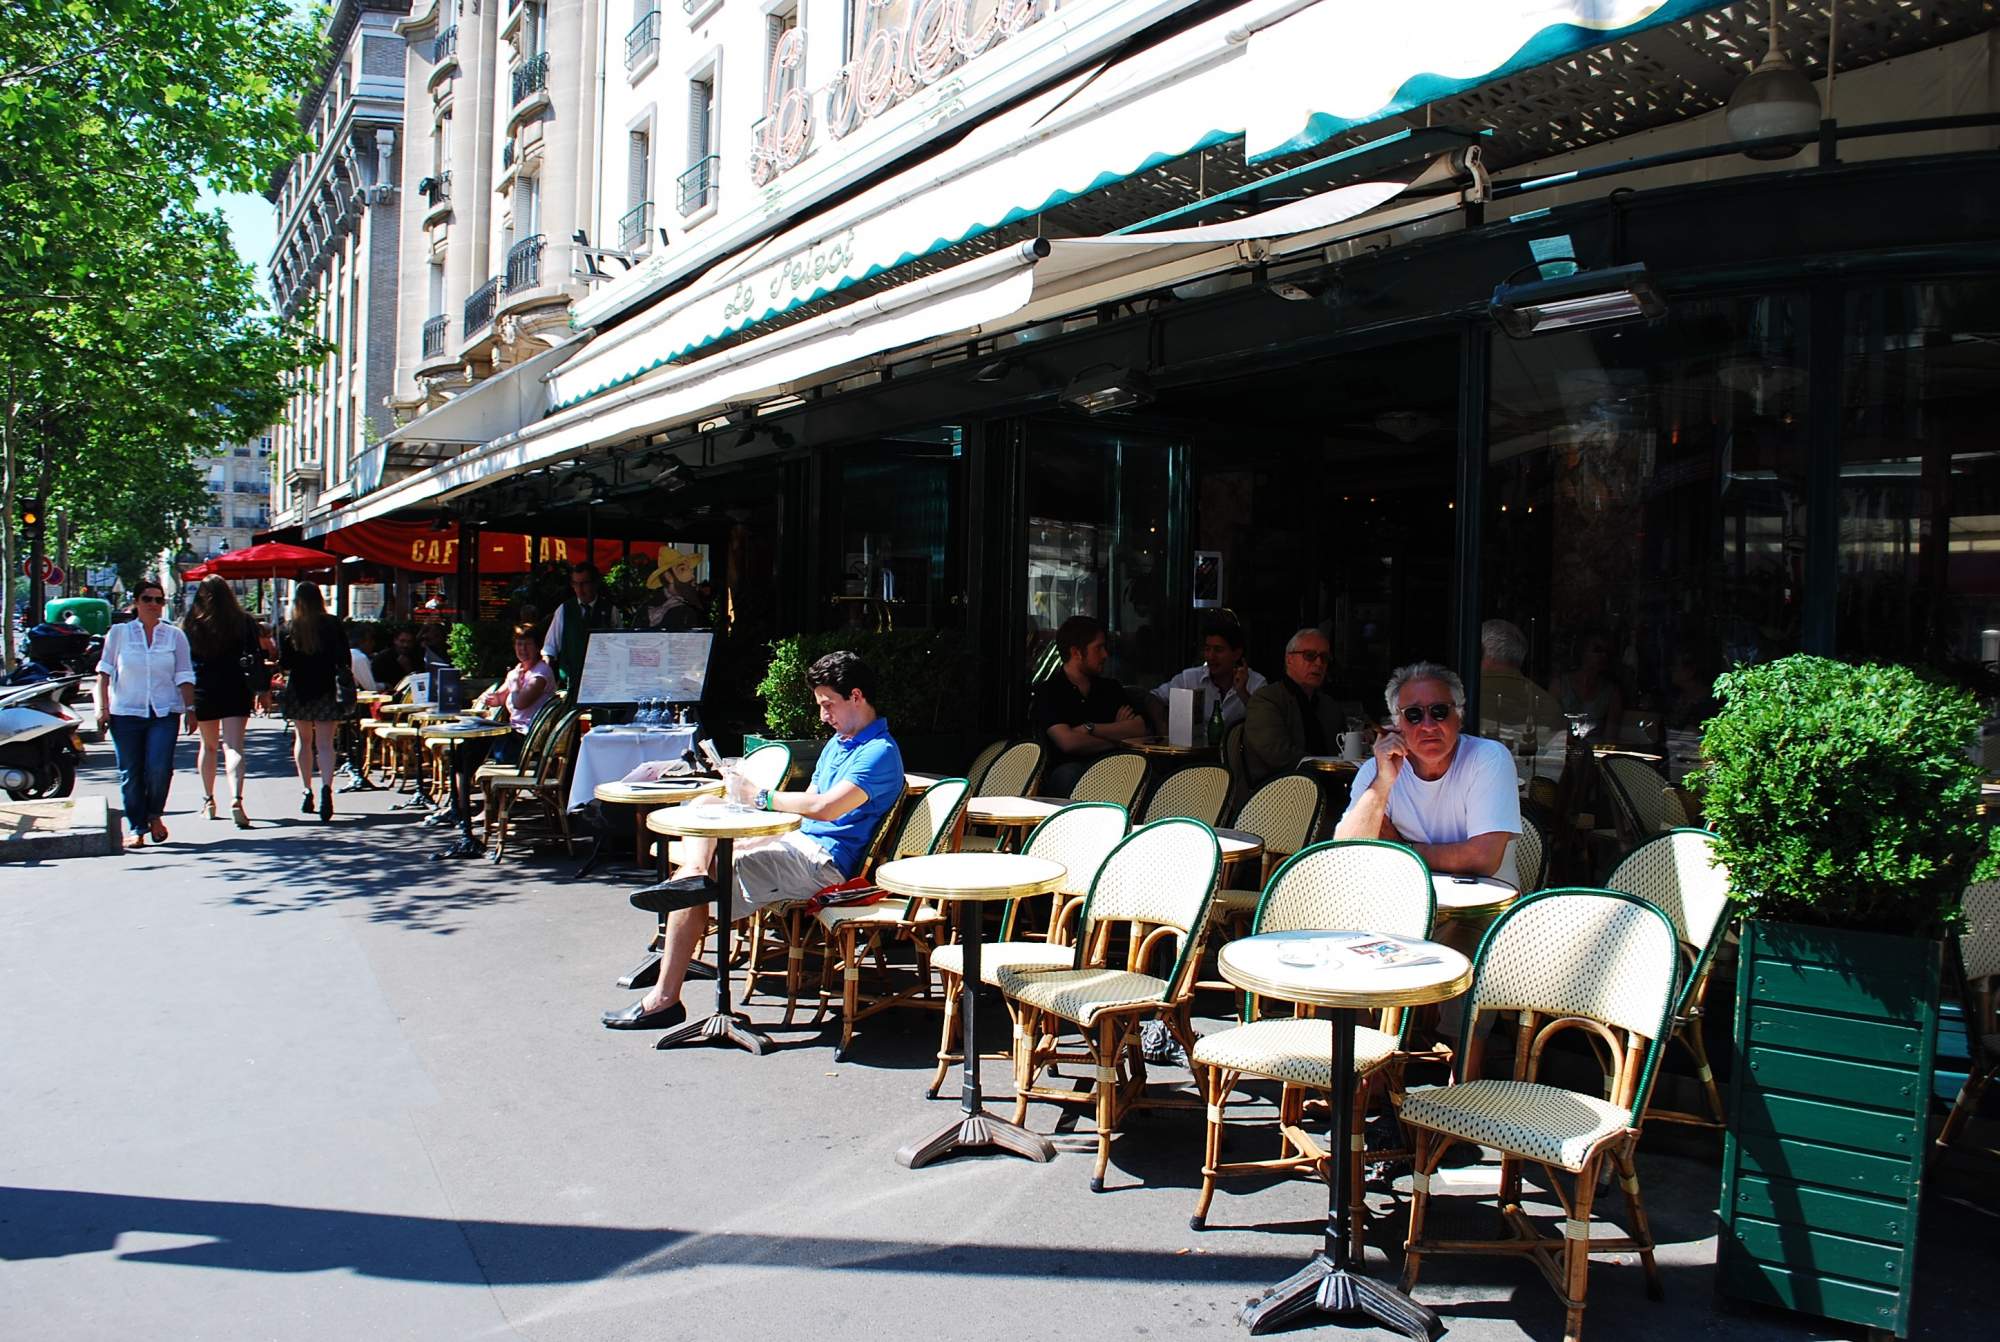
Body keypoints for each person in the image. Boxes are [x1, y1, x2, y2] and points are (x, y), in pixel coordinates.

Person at [603, 650, 905, 1030]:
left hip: (825, 866)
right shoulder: (839, 743)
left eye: (828, 705)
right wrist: (751, 824)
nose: (823, 715)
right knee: (705, 804)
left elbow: (824, 808)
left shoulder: (878, 752)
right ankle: (694, 877)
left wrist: (758, 797)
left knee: (704, 877)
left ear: (857, 696)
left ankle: (665, 997)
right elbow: (802, 809)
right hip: (799, 846)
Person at [1334, 660, 1521, 886]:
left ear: (1459, 717)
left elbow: (1483, 858)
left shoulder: (1488, 758)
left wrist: (1401, 849)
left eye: (1439, 711)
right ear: (1397, 723)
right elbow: (1346, 853)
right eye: (1414, 715)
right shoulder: (1376, 770)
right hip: (1400, 905)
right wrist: (1383, 783)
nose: (1428, 725)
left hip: (1481, 914)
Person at [95, 579, 195, 848]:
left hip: (163, 712)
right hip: (125, 712)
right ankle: (137, 827)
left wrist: (191, 708)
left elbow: (184, 674)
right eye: (148, 599)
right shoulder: (118, 633)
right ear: (136, 602)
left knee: (159, 768)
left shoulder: (175, 636)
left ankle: (155, 815)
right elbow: (104, 674)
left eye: (159, 600)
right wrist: (102, 708)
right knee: (131, 772)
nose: (153, 605)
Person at [1027, 615, 1148, 796]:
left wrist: (1090, 728)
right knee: (1068, 776)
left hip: (1116, 766)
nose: (1105, 655)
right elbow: (1068, 742)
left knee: (1148, 774)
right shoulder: (1049, 691)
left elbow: (1139, 729)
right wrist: (1119, 736)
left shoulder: (1110, 688)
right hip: (1070, 771)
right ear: (1076, 653)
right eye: (1098, 648)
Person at [182, 575, 263, 828]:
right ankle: (237, 798)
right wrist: (262, 688)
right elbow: (255, 655)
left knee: (208, 747)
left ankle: (208, 801)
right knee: (234, 747)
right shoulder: (243, 621)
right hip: (236, 686)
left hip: (204, 687)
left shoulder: (192, 623)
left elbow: (185, 661)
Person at [278, 582, 354, 821]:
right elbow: (344, 658)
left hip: (300, 689)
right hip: (326, 687)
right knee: (325, 744)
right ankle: (327, 788)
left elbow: (285, 664)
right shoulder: (332, 624)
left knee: (303, 739)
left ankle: (306, 789)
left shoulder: (289, 628)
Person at [1242, 628, 1357, 785]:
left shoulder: (1329, 706)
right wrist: (1325, 768)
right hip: (1278, 793)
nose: (1319, 663)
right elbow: (1277, 755)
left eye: (1324, 658)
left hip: (1331, 789)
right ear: (1289, 660)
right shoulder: (1267, 700)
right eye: (1309, 656)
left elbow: (1342, 749)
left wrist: (1361, 740)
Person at [1478, 618, 1567, 779]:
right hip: (1536, 799)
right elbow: (1554, 775)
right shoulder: (1549, 705)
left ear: (1481, 650)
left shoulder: (1461, 697)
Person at [1150, 614, 1266, 732]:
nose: (1211, 656)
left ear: (1236, 654)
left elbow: (1266, 723)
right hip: (1197, 748)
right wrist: (1162, 725)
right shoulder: (1190, 678)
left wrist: (1243, 692)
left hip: (1236, 749)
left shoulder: (1256, 683)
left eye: (1218, 650)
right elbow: (1153, 697)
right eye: (1207, 649)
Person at [541, 562, 620, 691]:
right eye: (575, 584)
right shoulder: (564, 610)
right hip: (571, 682)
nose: (580, 589)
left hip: (602, 682)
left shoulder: (610, 611)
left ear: (595, 583)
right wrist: (544, 679)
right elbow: (550, 648)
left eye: (584, 583)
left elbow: (618, 649)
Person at [1552, 630, 1624, 738]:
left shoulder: (1612, 693)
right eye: (1597, 650)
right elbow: (1550, 728)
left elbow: (1610, 738)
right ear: (1583, 651)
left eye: (1606, 652)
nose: (1603, 655)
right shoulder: (1559, 685)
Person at [348, 626, 381, 693]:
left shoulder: (348, 653)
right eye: (370, 641)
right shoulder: (359, 657)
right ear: (361, 642)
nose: (373, 644)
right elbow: (371, 689)